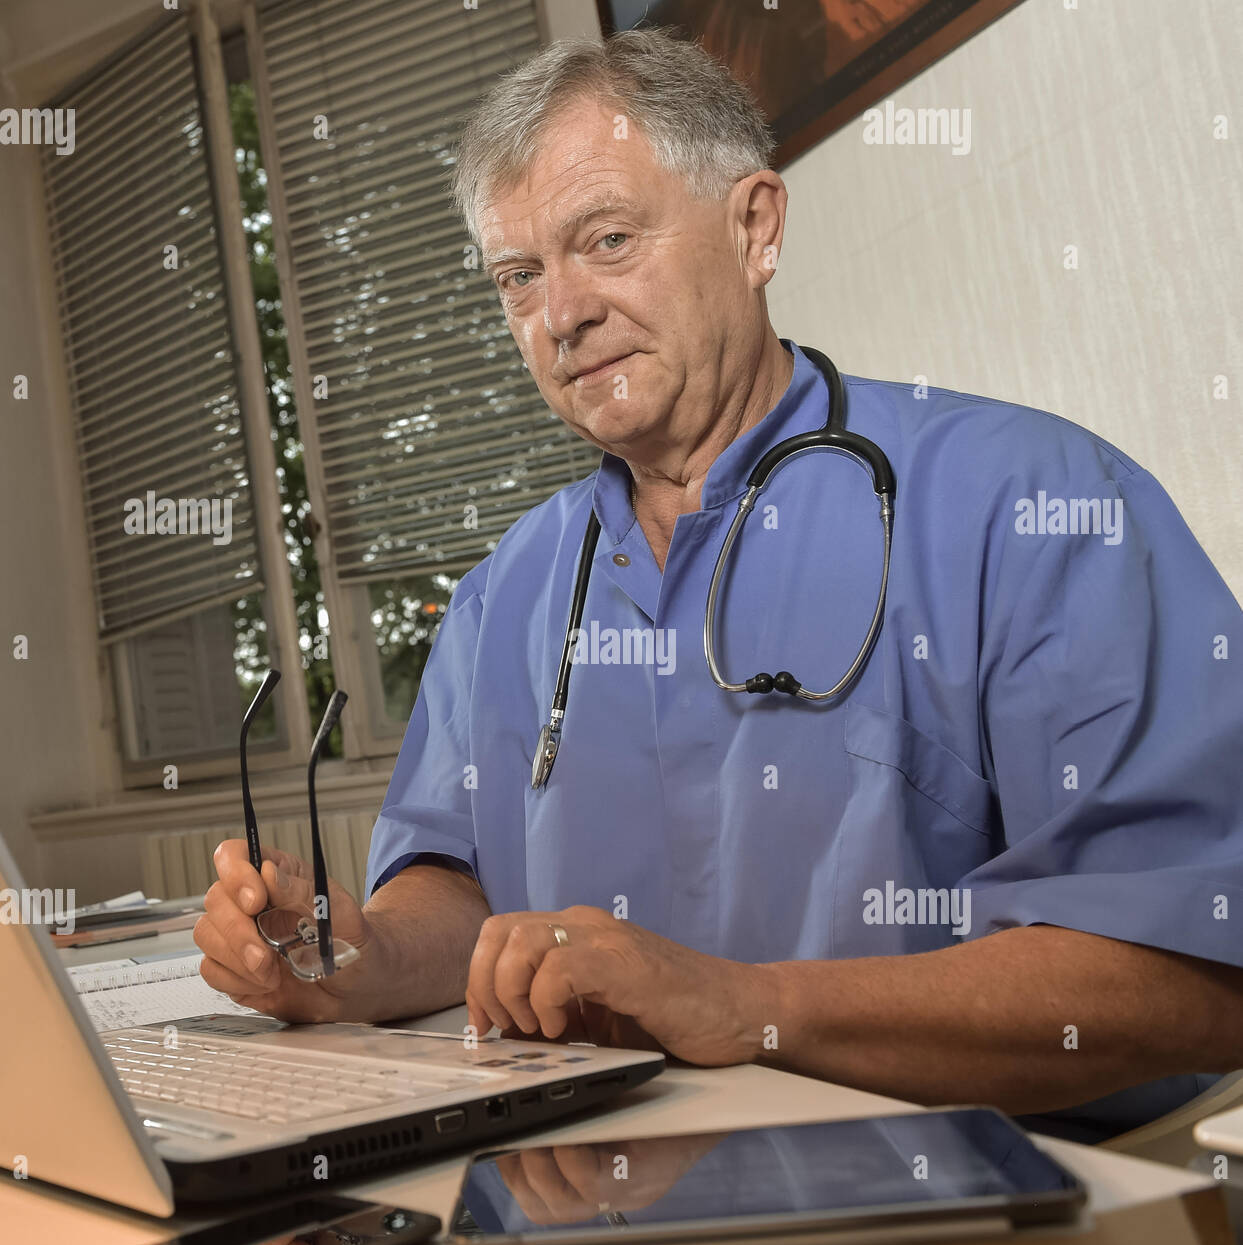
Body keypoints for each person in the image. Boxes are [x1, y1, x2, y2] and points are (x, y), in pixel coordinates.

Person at [196, 29, 1243, 1143]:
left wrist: (749, 1008)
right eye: (519, 277)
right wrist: (345, 958)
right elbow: (461, 899)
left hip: (992, 1201)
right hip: (603, 1186)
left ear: (755, 228)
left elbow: (1189, 971)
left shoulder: (1035, 507)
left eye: (605, 240)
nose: (560, 315)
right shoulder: (505, 594)